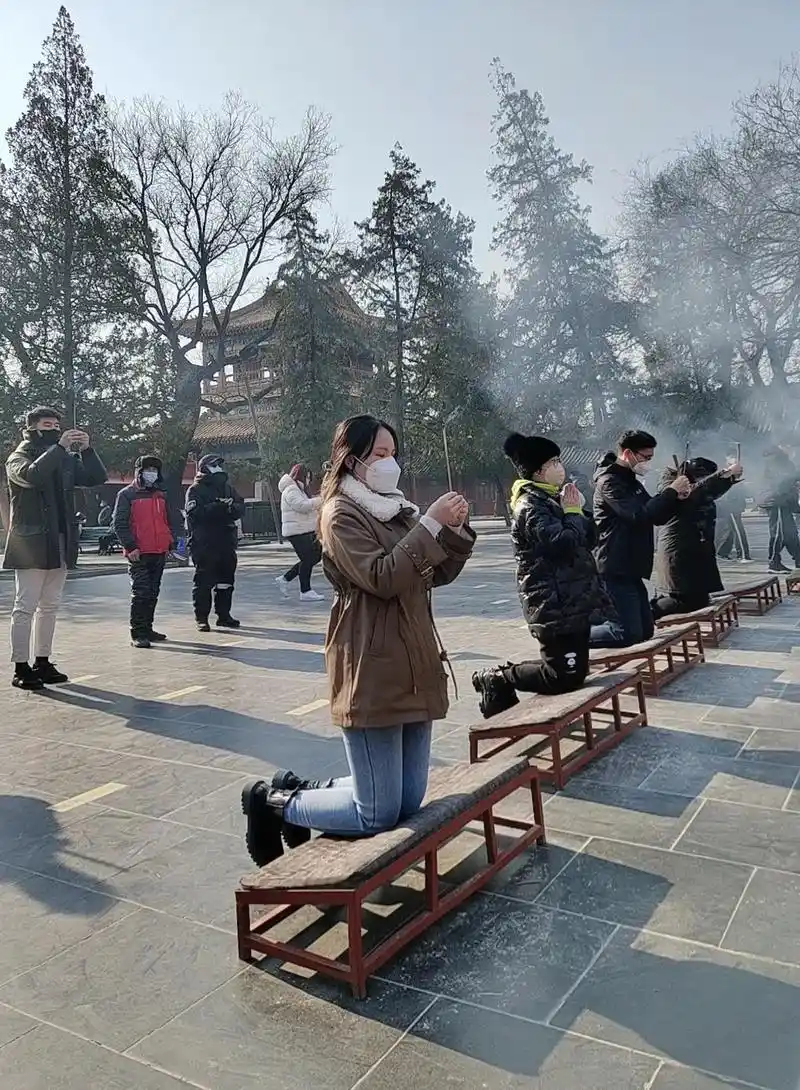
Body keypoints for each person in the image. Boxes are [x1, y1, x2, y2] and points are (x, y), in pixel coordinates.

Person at [240, 414, 475, 866]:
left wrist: (455, 533)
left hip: (416, 657)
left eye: (393, 454)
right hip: (371, 660)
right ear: (352, 460)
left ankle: (301, 791)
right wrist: (428, 528)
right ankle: (273, 802)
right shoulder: (339, 513)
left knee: (407, 802)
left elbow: (435, 574)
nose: (390, 463)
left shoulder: (396, 508)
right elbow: (381, 578)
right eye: (380, 455)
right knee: (376, 814)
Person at [472, 434, 611, 719]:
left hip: (575, 598)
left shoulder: (554, 499)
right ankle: (499, 677)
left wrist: (580, 512)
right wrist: (572, 514)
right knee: (561, 676)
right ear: (537, 470)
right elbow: (560, 543)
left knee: (574, 672)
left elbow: (591, 538)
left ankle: (504, 676)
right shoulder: (529, 505)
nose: (560, 466)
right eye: (553, 462)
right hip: (551, 602)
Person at [3, 406, 107, 689]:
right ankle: (21, 666)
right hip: (31, 541)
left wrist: (87, 450)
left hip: (60, 539)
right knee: (25, 606)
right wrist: (60, 448)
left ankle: (43, 661)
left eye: (57, 425)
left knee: (49, 605)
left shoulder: (63, 460)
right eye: (47, 424)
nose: (54, 429)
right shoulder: (17, 458)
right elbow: (33, 476)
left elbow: (96, 478)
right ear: (32, 427)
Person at [591, 430, 691, 647]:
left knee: (645, 631)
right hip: (614, 566)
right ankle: (573, 638)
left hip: (632, 566)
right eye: (645, 457)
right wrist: (670, 492)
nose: (648, 463)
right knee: (625, 633)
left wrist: (677, 498)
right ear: (627, 453)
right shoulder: (610, 482)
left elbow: (655, 516)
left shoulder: (632, 482)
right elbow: (638, 515)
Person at [651, 456, 743, 619]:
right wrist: (723, 475)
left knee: (698, 599)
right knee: (684, 601)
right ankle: (647, 613)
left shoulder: (694, 488)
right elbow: (698, 491)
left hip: (693, 553)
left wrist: (729, 479)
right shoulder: (677, 490)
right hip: (679, 554)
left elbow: (709, 490)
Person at [112, 455, 181, 648]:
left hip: (159, 551)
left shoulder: (161, 495)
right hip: (138, 553)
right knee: (141, 592)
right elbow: (119, 523)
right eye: (147, 469)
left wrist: (174, 544)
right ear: (139, 471)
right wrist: (130, 546)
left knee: (153, 592)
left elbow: (172, 521)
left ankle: (148, 628)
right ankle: (138, 632)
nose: (151, 473)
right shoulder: (127, 495)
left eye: (154, 470)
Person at [185, 454, 245, 631]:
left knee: (226, 581)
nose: (218, 467)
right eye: (214, 465)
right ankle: (202, 617)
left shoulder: (227, 488)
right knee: (204, 581)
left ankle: (224, 615)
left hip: (226, 541)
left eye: (219, 464)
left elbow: (240, 506)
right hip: (204, 543)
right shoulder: (195, 490)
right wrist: (216, 506)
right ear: (204, 468)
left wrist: (230, 507)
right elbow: (195, 513)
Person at [275, 463, 324, 602]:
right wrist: (320, 500)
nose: (308, 480)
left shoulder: (299, 489)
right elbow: (301, 506)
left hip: (305, 529)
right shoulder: (291, 489)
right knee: (308, 559)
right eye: (307, 477)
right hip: (296, 531)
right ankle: (305, 590)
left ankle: (285, 578)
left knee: (315, 556)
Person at [757, 445, 800, 573]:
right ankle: (774, 562)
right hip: (777, 502)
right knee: (778, 534)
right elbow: (781, 484)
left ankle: (799, 560)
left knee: (791, 534)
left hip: (782, 501)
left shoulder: (782, 462)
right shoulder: (776, 462)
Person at [715, 467, 751, 563]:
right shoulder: (726, 475)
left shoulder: (735, 477)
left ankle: (722, 552)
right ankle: (743, 555)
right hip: (730, 506)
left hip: (733, 505)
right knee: (738, 530)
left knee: (730, 530)